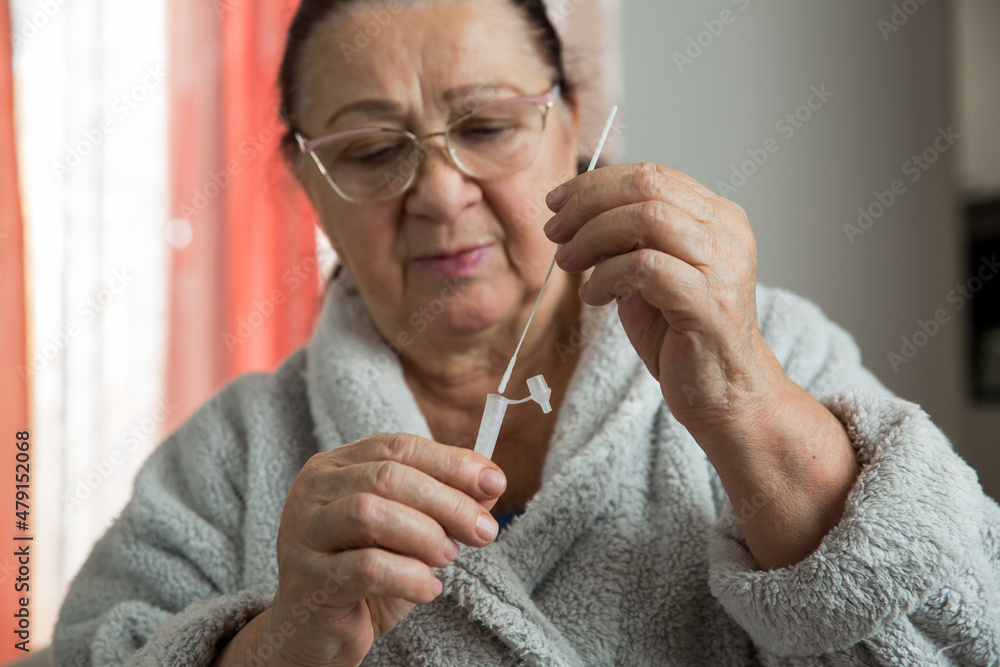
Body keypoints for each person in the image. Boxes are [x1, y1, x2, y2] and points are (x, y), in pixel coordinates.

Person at [53, 0, 1000, 665]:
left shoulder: (774, 348)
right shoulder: (227, 462)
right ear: (307, 184)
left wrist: (747, 403)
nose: (437, 191)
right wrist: (276, 646)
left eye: (489, 126)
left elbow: (972, 630)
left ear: (574, 121)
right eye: (374, 151)